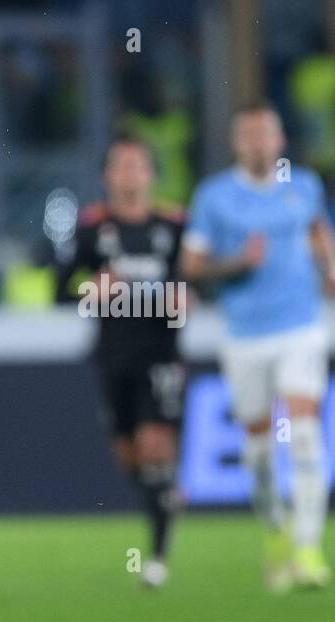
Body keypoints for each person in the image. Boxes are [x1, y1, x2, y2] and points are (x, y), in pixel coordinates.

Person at [181, 104, 335, 592]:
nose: (257, 143)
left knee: (306, 433)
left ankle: (309, 548)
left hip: (301, 326)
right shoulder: (214, 196)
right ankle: (275, 532)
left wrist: (329, 266)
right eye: (247, 135)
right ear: (235, 143)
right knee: (259, 450)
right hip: (245, 335)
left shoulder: (303, 186)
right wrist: (236, 264)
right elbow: (192, 266)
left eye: (264, 134)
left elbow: (316, 229)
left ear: (280, 140)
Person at [56, 137, 185, 587]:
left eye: (138, 166)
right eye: (121, 166)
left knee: (153, 445)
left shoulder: (175, 226)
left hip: (161, 357)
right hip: (112, 359)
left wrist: (185, 296)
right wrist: (89, 289)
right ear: (107, 177)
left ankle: (158, 558)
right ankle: (166, 496)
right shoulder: (93, 229)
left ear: (151, 175)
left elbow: (194, 284)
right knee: (128, 455)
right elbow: (59, 288)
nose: (130, 174)